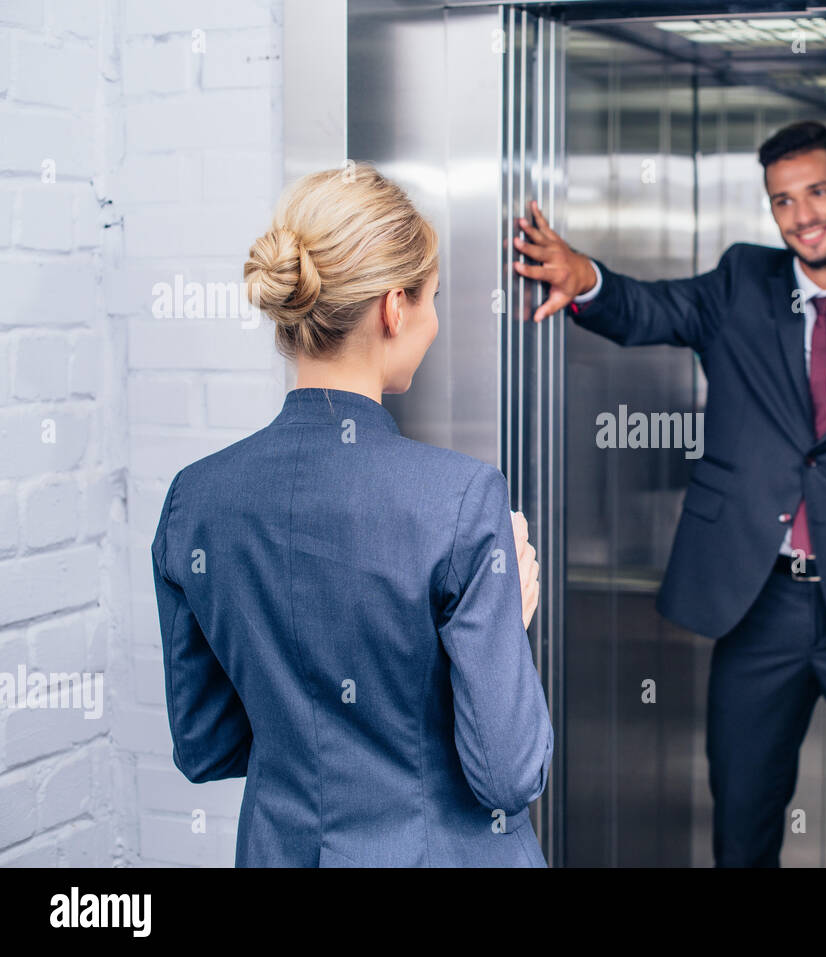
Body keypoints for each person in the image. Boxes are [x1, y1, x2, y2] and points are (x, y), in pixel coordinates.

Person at [512, 120, 826, 867]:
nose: (803, 215)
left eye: (819, 192)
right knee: (742, 825)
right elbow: (648, 309)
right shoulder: (741, 285)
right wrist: (586, 278)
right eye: (783, 200)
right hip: (759, 604)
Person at [150, 164, 553, 867]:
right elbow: (509, 773)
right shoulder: (461, 498)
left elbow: (206, 743)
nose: (430, 322)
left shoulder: (197, 498)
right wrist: (502, 630)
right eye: (430, 299)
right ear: (393, 307)